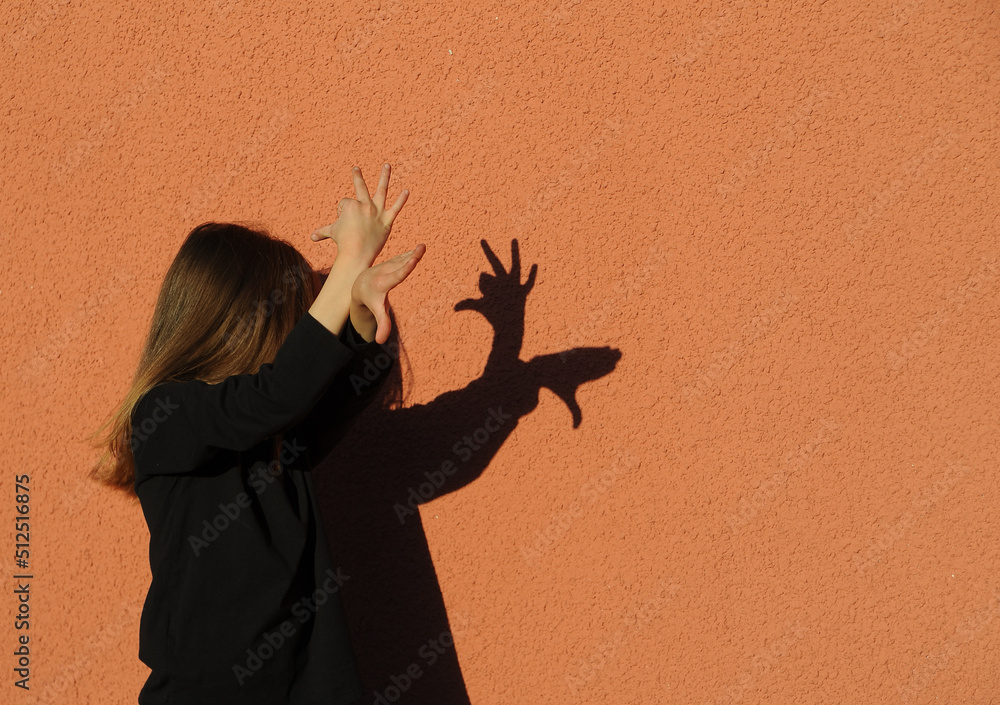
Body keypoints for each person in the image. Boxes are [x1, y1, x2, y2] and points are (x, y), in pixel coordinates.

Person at [87, 163, 425, 704]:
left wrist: (359, 308)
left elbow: (331, 399)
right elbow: (275, 397)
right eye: (291, 314)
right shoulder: (166, 413)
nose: (299, 327)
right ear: (238, 321)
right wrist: (345, 268)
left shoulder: (275, 433)